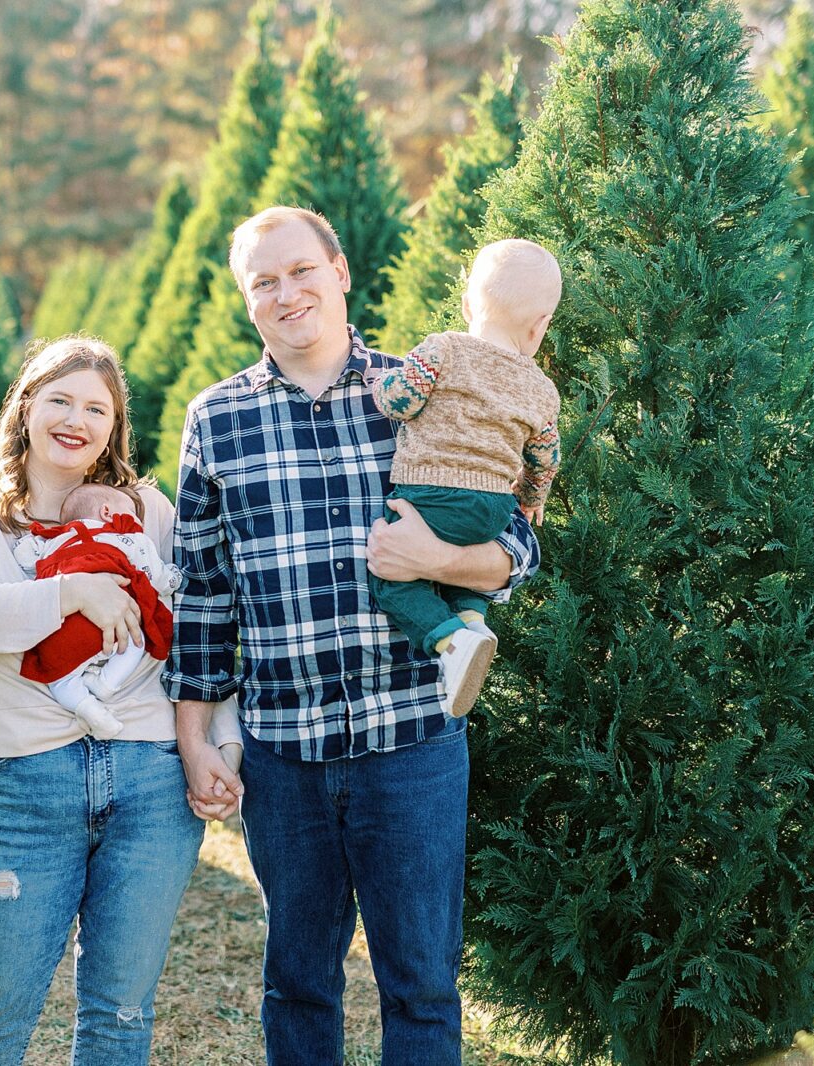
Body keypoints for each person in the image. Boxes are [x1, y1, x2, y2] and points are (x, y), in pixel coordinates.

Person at [166, 206, 541, 1066]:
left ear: (339, 272)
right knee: (298, 983)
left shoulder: (424, 387)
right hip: (283, 755)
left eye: (302, 270)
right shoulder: (217, 419)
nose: (286, 293)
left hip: (412, 741)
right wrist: (195, 740)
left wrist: (443, 558)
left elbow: (519, 537)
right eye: (264, 281)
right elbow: (203, 593)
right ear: (246, 299)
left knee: (422, 987)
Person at [0, 336, 208, 1065]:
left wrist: (220, 744)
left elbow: (197, 633)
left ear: (115, 428)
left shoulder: (147, 510)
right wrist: (71, 591)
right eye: (59, 400)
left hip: (150, 784)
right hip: (24, 789)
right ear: (25, 408)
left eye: (96, 409)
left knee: (121, 1013)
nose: (76, 420)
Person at [367, 238, 562, 717]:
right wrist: (531, 497)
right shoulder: (542, 389)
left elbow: (399, 402)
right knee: (462, 561)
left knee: (392, 580)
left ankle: (451, 643)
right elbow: (545, 457)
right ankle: (473, 620)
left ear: (468, 305)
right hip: (493, 508)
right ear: (540, 326)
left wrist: (379, 385)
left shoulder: (444, 349)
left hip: (430, 496)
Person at [13, 482, 183, 740]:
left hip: (62, 632)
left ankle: (87, 708)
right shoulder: (129, 539)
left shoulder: (54, 539)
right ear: (107, 512)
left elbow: (24, 557)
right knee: (137, 642)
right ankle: (104, 684)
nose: (137, 520)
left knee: (59, 679)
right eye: (131, 513)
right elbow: (156, 577)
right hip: (114, 630)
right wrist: (174, 577)